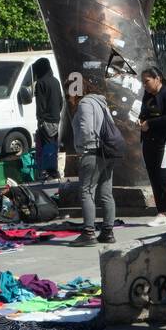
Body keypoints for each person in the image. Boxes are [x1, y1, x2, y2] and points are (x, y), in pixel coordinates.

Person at [59, 88, 117, 246]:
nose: (68, 99)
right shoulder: (101, 103)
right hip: (107, 152)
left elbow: (86, 128)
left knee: (86, 191)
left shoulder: (85, 103)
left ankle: (88, 233)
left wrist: (84, 148)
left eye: (68, 95)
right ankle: (108, 232)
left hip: (92, 152)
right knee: (106, 192)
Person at [139, 67, 166, 224]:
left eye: (147, 81)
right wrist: (141, 121)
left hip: (165, 141)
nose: (145, 85)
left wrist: (149, 123)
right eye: (143, 83)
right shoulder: (147, 96)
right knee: (153, 176)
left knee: (164, 176)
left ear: (157, 78)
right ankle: (161, 210)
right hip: (149, 141)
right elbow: (143, 112)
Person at [33, 58, 63, 178]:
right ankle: (53, 170)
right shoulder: (55, 81)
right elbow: (61, 101)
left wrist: (40, 120)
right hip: (56, 119)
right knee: (53, 145)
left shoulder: (40, 83)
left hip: (45, 120)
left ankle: (51, 172)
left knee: (47, 146)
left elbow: (40, 104)